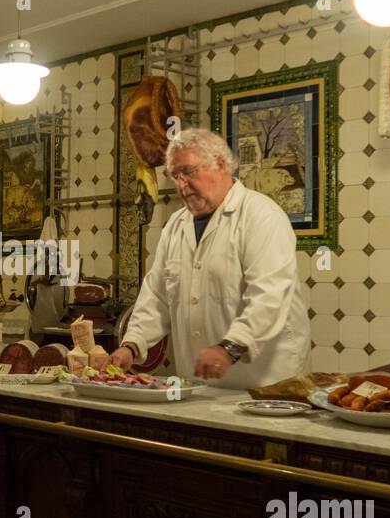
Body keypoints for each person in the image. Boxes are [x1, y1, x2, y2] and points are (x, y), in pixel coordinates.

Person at [111, 127, 310, 389]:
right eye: (175, 175)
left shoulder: (262, 216)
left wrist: (230, 347)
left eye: (189, 171)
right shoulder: (175, 226)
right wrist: (131, 345)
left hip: (265, 383)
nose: (182, 185)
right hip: (199, 384)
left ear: (219, 163)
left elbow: (269, 295)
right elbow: (156, 296)